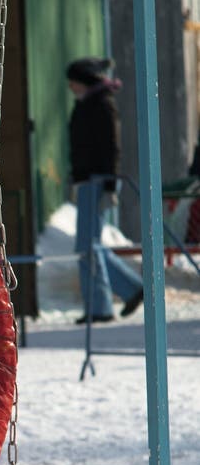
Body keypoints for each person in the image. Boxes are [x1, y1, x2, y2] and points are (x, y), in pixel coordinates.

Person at [66, 56, 144, 324]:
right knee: (90, 245)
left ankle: (101, 307)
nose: (71, 87)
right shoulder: (86, 105)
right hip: (87, 181)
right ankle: (130, 289)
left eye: (73, 81)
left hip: (98, 181)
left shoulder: (101, 105)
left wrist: (109, 185)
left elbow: (111, 148)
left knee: (88, 246)